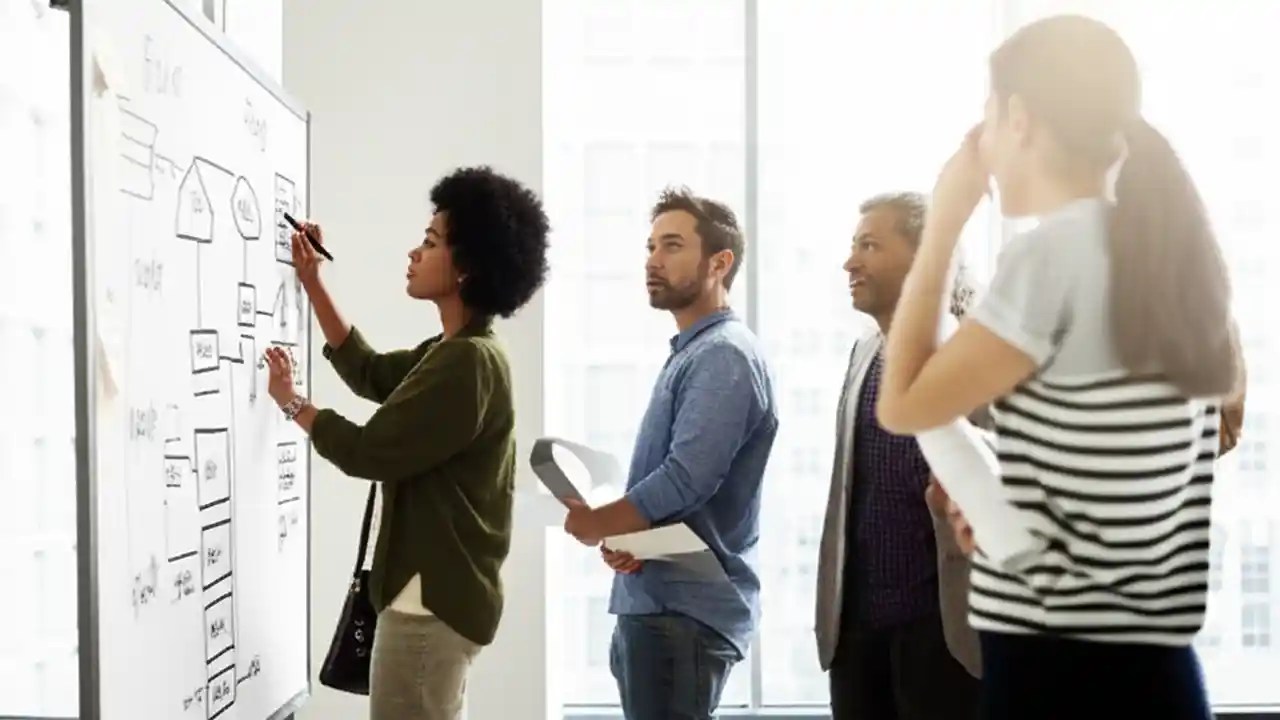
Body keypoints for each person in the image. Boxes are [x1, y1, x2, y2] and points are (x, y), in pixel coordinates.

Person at [875, 15, 1241, 720]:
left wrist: (947, 217)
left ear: (1019, 117)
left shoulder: (1054, 255)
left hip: (1058, 666)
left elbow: (905, 403)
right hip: (1154, 666)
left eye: (987, 115)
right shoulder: (1170, 262)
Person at [261, 166, 549, 720]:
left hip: (428, 605)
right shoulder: (457, 349)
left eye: (431, 242)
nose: (414, 253)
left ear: (465, 268)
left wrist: (291, 402)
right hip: (435, 600)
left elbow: (369, 451)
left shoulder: (467, 362)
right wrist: (315, 283)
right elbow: (368, 371)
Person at [561, 187, 779, 720]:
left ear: (719, 263)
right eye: (651, 246)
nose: (653, 260)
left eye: (673, 245)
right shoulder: (695, 353)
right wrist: (627, 537)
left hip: (681, 616)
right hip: (659, 604)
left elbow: (686, 479)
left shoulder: (723, 354)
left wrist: (600, 523)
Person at [815, 191, 981, 720]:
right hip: (859, 639)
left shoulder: (970, 357)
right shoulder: (863, 354)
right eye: (853, 245)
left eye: (869, 245)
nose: (850, 261)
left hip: (945, 637)